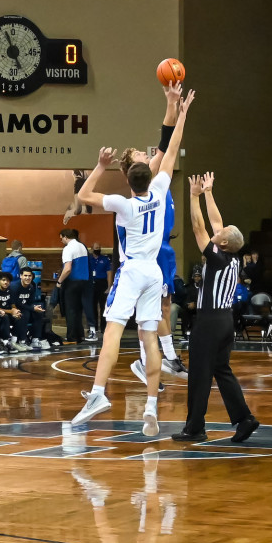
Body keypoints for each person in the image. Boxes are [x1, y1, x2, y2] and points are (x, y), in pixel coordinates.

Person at [71, 89, 194, 433]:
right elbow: (169, 149)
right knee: (149, 336)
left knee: (113, 329)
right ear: (146, 173)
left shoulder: (125, 204)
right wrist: (181, 111)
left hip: (133, 269)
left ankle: (97, 393)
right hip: (154, 269)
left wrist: (99, 166)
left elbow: (83, 196)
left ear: (127, 178)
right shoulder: (160, 189)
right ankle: (152, 406)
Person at [173, 173, 257, 443]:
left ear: (221, 243)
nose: (215, 231)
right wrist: (209, 192)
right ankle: (245, 418)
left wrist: (193, 195)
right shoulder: (231, 257)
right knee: (222, 370)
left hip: (209, 321)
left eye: (218, 234)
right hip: (225, 322)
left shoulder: (218, 258)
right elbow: (216, 224)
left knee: (199, 373)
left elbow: (199, 228)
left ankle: (195, 427)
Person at [121, 84, 191, 382]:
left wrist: (173, 105)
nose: (145, 151)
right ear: (134, 165)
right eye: (139, 152)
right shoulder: (147, 175)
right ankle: (167, 358)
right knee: (154, 307)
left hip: (162, 248)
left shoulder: (150, 179)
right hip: (152, 251)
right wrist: (173, 105)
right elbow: (168, 140)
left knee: (161, 306)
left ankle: (154, 359)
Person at [58, 229, 94, 343]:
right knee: (79, 310)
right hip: (84, 282)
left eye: (61, 238)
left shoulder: (68, 248)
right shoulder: (82, 246)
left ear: (66, 237)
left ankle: (72, 337)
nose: (61, 240)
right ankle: (80, 336)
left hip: (72, 282)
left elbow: (68, 269)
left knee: (70, 310)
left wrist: (59, 281)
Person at [90, 242, 111, 330]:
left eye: (99, 248)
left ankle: (103, 327)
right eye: (96, 248)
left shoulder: (105, 259)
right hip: (91, 283)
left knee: (103, 306)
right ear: (92, 249)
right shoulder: (88, 259)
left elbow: (109, 273)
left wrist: (109, 287)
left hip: (102, 283)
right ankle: (94, 328)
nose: (98, 249)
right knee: (92, 306)